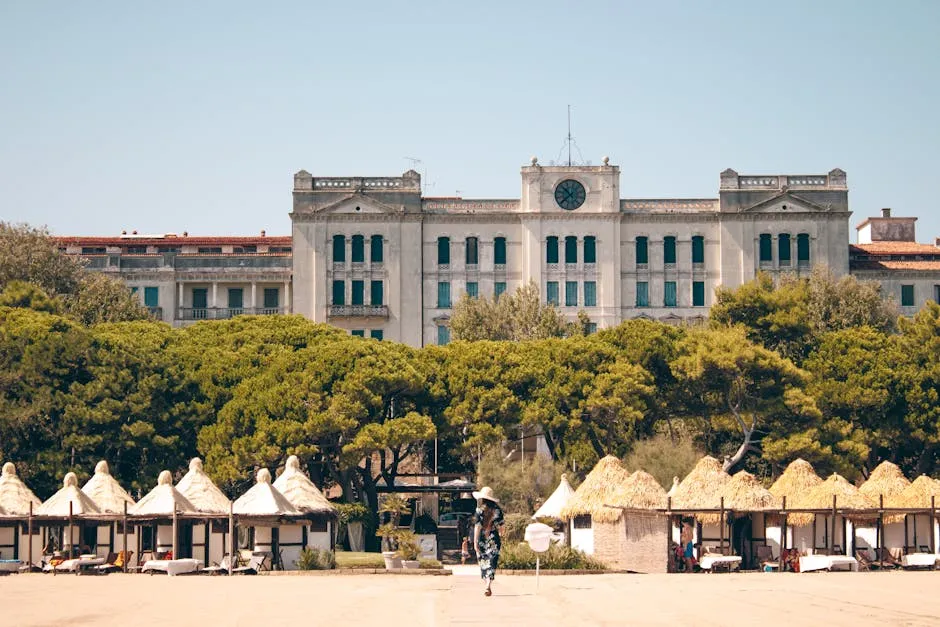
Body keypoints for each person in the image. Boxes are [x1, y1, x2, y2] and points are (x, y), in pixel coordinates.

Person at [471, 486, 504, 597]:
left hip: (482, 540)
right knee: (492, 563)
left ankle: (487, 584)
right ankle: (488, 585)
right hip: (494, 539)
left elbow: (477, 527)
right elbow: (501, 528)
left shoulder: (479, 510)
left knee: (484, 562)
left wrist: (475, 542)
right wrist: (500, 534)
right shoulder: (498, 511)